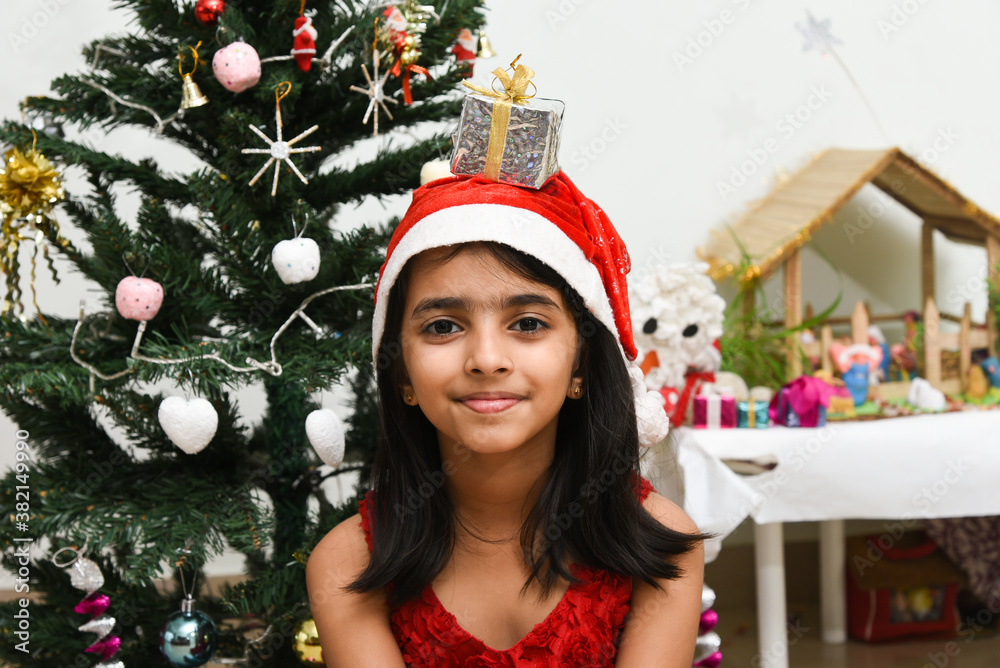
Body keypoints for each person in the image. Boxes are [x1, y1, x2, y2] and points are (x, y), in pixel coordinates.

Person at [307, 170, 708, 666]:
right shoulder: (347, 564)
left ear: (580, 361)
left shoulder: (660, 544)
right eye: (443, 326)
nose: (487, 359)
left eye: (528, 323)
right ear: (401, 373)